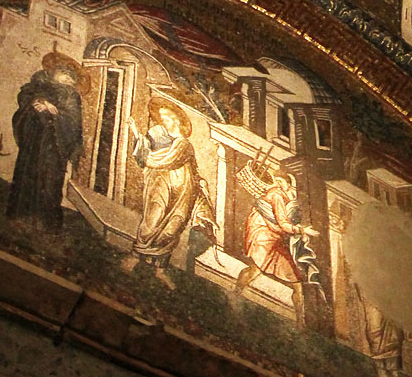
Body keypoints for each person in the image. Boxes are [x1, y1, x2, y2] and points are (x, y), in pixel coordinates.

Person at [123, 98, 215, 287]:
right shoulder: (158, 136)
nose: (164, 120)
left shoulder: (184, 144)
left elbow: (191, 167)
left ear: (177, 119)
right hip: (160, 185)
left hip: (183, 191)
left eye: (168, 116)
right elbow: (152, 159)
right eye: (162, 117)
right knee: (152, 221)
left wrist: (200, 183)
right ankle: (135, 256)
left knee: (173, 227)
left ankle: (161, 269)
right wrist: (135, 133)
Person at [7, 53, 83, 232]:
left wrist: (53, 111)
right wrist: (37, 103)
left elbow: (74, 123)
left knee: (50, 181)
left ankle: (45, 223)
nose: (67, 79)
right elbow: (25, 99)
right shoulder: (39, 84)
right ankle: (20, 217)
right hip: (34, 140)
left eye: (70, 78)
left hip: (54, 146)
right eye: (64, 74)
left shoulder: (72, 95)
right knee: (27, 175)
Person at [236, 164, 324, 297]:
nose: (278, 184)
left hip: (271, 236)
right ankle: (235, 294)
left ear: (289, 183)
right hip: (265, 236)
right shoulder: (277, 195)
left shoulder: (285, 197)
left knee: (259, 271)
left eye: (280, 181)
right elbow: (283, 223)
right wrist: (302, 230)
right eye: (276, 181)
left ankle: (235, 294)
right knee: (258, 270)